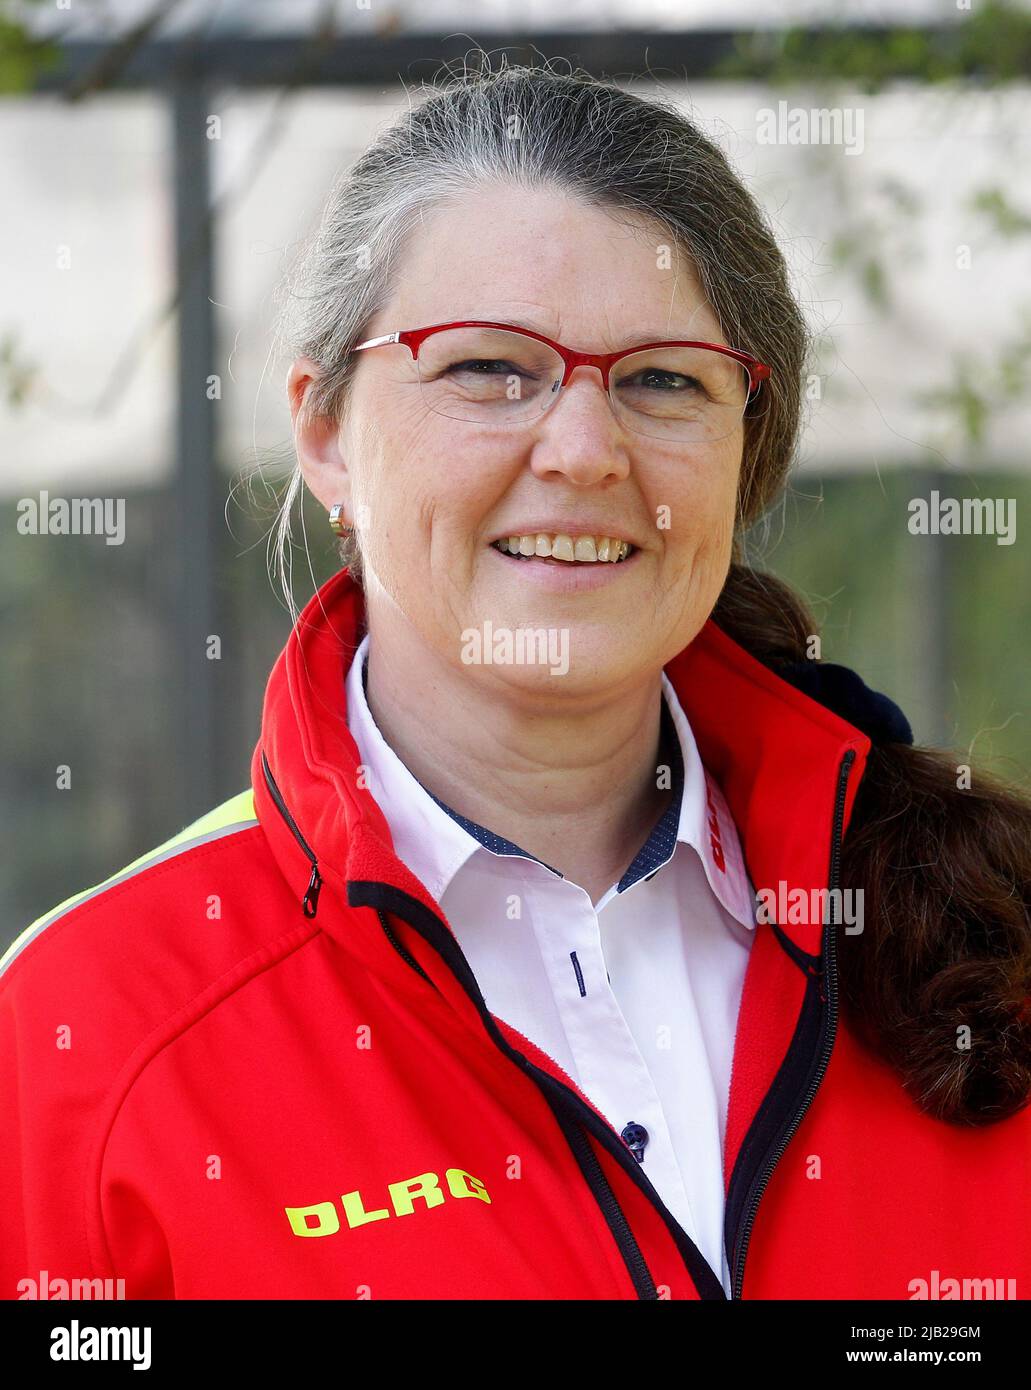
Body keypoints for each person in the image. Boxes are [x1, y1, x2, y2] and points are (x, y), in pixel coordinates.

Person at [2, 61, 1029, 1303]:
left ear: (743, 454)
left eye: (663, 380)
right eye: (487, 368)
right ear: (325, 436)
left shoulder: (981, 940)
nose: (586, 451)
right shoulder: (84, 1036)